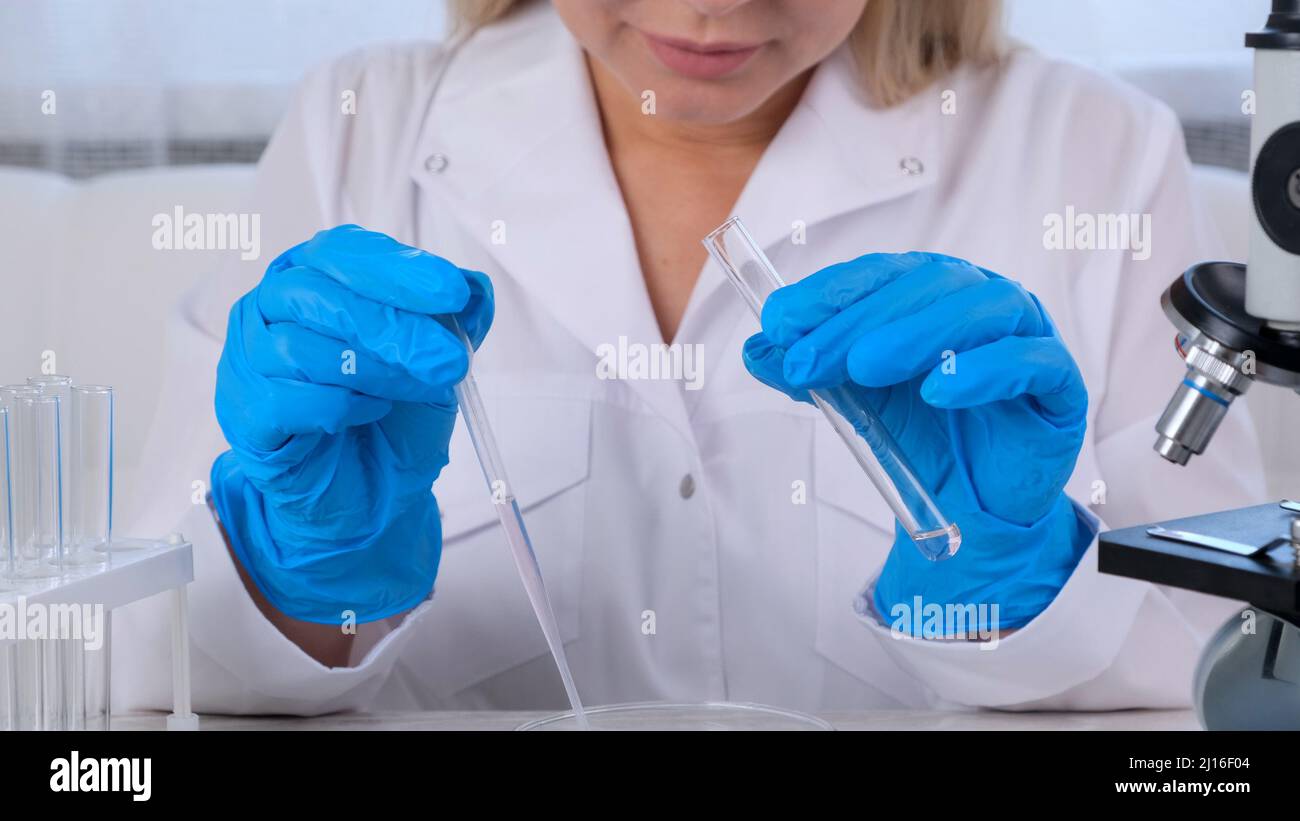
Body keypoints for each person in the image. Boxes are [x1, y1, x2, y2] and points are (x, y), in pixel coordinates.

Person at [117, 0, 1264, 714]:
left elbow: (1219, 671)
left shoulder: (1089, 149)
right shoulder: (358, 125)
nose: (711, 9)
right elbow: (141, 665)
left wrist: (1015, 587)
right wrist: (293, 573)